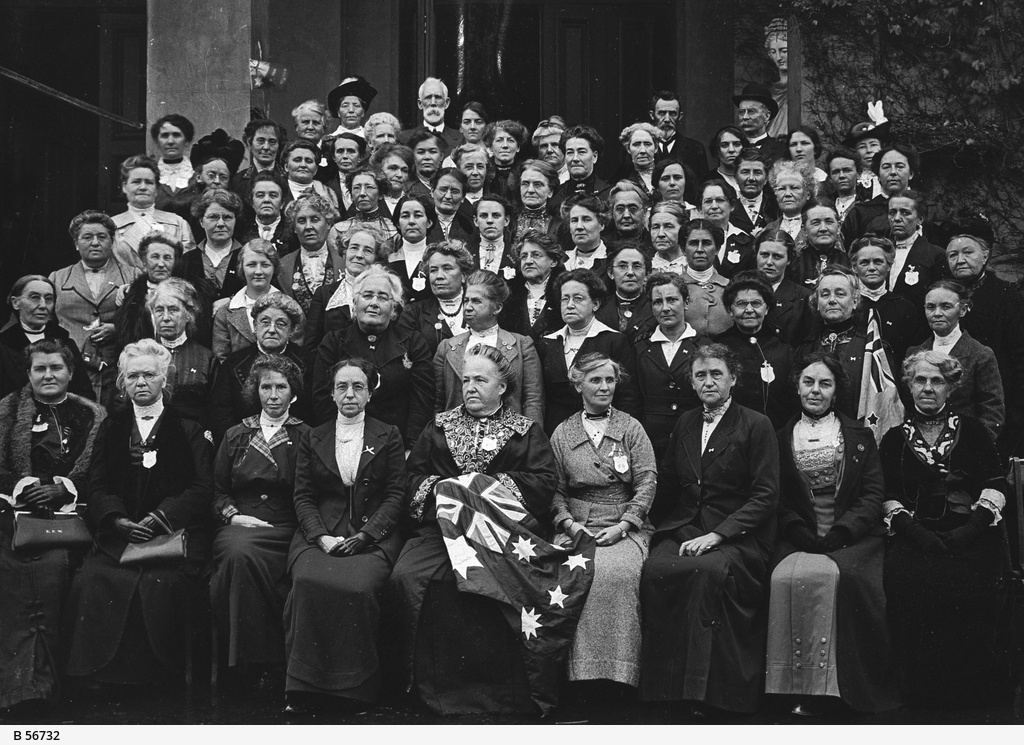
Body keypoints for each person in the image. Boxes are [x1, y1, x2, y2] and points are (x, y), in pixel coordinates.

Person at [388, 345, 561, 715]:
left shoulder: (524, 431)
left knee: (501, 585)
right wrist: (448, 492)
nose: (469, 387)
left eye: (480, 380)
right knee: (407, 576)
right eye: (465, 379)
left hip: (502, 532)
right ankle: (421, 688)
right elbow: (413, 477)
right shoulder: (439, 426)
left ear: (502, 387)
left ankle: (502, 694)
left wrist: (486, 488)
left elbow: (544, 481)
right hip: (442, 530)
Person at [640, 343, 780, 715]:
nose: (708, 381)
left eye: (716, 373)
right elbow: (668, 482)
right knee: (656, 569)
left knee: (706, 573)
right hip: (688, 524)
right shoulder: (686, 421)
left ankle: (708, 695)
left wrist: (718, 535)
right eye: (700, 375)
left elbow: (766, 496)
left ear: (733, 379)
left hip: (739, 535)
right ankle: (666, 691)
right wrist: (632, 514)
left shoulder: (755, 424)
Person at [65, 339, 213, 685]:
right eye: (132, 377)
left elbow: (202, 488)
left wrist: (159, 518)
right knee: (94, 579)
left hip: (172, 535)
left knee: (163, 584)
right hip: (120, 536)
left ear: (165, 380)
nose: (140, 383)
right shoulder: (111, 426)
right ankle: (104, 676)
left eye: (149, 375)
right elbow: (96, 484)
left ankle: (160, 678)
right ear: (122, 382)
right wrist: (117, 520)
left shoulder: (187, 426)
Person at [766, 352, 898, 714]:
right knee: (785, 579)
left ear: (836, 391)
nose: (815, 390)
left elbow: (873, 493)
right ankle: (793, 688)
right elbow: (774, 494)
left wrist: (844, 530)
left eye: (825, 384)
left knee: (845, 579)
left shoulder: (858, 434)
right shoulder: (779, 437)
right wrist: (795, 528)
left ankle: (838, 689)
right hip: (800, 533)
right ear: (797, 387)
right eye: (808, 382)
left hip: (853, 535)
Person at [881, 350, 1012, 708]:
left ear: (951, 387)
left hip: (970, 533)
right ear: (908, 386)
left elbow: (996, 482)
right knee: (908, 585)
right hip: (916, 535)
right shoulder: (893, 438)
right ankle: (921, 699)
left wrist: (970, 530)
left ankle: (969, 699)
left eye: (936, 381)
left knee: (972, 592)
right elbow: (888, 494)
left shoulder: (973, 430)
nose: (927, 388)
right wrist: (916, 533)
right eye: (920, 380)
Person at [283, 357, 405, 710]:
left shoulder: (389, 434)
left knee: (357, 586)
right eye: (342, 387)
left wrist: (366, 536)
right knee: (306, 581)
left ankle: (355, 691)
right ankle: (303, 688)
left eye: (358, 387)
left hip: (372, 534)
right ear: (332, 394)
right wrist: (320, 537)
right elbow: (303, 495)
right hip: (321, 532)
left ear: (369, 393)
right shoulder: (313, 436)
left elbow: (396, 494)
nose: (349, 394)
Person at [0, 340, 105, 713]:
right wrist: (23, 487)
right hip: (14, 513)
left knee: (54, 567)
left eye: (56, 368)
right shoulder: (8, 410)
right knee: (9, 569)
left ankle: (45, 684)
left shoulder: (93, 415)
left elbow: (101, 472)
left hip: (68, 517)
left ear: (70, 373)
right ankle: (18, 687)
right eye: (40, 369)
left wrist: (63, 487)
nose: (48, 375)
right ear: (28, 374)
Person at [550, 353, 656, 688]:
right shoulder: (563, 433)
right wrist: (569, 524)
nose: (605, 387)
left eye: (610, 380)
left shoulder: (630, 428)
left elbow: (647, 481)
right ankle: (576, 678)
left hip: (623, 525)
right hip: (578, 525)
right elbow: (554, 491)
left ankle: (618, 675)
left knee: (615, 573)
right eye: (596, 380)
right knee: (562, 572)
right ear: (578, 383)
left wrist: (625, 525)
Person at [210, 355, 309, 674]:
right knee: (239, 554)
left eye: (282, 387)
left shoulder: (307, 436)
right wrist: (233, 516)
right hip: (241, 522)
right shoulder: (236, 435)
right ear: (256, 391)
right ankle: (245, 662)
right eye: (266, 386)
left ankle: (278, 661)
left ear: (293, 393)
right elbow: (217, 490)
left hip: (289, 526)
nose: (274, 394)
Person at [312, 266, 433, 446]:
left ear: (394, 308)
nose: (374, 303)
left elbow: (422, 401)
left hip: (397, 445)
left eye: (383, 297)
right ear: (355, 302)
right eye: (367, 296)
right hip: (343, 441)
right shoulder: (334, 342)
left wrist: (411, 446)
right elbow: (322, 398)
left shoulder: (413, 342)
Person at [49, 210, 140, 406]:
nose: (95, 243)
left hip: (117, 365)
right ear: (76, 243)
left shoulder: (133, 276)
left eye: (102, 237)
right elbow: (47, 324)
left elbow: (145, 319)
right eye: (87, 237)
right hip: (73, 367)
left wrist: (118, 329)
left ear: (112, 241)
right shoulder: (57, 278)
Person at [946, 232, 1024, 456]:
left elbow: (1019, 354)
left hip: (998, 398)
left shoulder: (1006, 295)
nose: (960, 260)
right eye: (953, 255)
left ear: (985, 256)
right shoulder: (941, 296)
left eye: (968, 252)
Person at [536, 269, 640, 434]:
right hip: (555, 433)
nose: (570, 305)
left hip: (602, 431)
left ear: (595, 304)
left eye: (578, 298)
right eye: (565, 299)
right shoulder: (547, 343)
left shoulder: (613, 341)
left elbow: (628, 397)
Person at [433, 270, 543, 422]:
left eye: (477, 301)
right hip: (457, 436)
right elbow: (437, 403)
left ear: (497, 308)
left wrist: (532, 441)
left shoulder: (521, 345)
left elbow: (533, 400)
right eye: (466, 301)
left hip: (510, 437)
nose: (468, 307)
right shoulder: (446, 347)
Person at [906, 280, 1004, 443]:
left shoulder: (980, 354)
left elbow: (992, 411)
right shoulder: (914, 353)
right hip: (921, 445)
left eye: (946, 306)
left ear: (963, 309)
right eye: (931, 307)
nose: (937, 313)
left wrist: (973, 445)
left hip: (965, 446)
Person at [798, 266, 898, 424]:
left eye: (840, 294)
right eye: (825, 294)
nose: (832, 300)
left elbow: (884, 403)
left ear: (855, 301)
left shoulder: (873, 347)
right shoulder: (805, 347)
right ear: (817, 303)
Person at [209, 293, 307, 444]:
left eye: (281, 324)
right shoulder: (234, 363)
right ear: (254, 326)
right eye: (265, 322)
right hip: (243, 447)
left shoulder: (308, 362)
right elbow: (221, 413)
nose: (272, 329)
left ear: (292, 330)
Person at [632, 272, 706, 461]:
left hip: (694, 436)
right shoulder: (639, 348)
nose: (665, 308)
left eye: (672, 300)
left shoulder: (704, 347)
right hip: (651, 441)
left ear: (686, 302)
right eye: (658, 302)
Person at [715, 272, 797, 429]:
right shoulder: (720, 348)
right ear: (730, 310)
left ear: (767, 308)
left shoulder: (783, 348)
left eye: (756, 303)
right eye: (741, 304)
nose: (749, 309)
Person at [1, 275, 94, 400]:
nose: (43, 305)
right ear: (15, 303)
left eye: (49, 299)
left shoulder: (66, 342)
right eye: (34, 298)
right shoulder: (4, 345)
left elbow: (85, 394)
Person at [142, 278, 218, 426]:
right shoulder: (141, 354)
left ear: (189, 314)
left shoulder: (206, 358)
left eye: (173, 310)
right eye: (159, 310)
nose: (165, 318)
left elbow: (215, 407)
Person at [304, 225, 389, 355]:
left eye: (367, 250)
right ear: (344, 252)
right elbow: (311, 345)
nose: (359, 255)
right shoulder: (324, 294)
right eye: (354, 248)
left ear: (376, 258)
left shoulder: (387, 294)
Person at [850, 235, 926, 368]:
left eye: (878, 262)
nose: (872, 268)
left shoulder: (904, 307)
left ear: (889, 266)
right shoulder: (848, 305)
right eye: (864, 262)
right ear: (854, 268)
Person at [112, 155, 194, 270]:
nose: (143, 187)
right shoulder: (111, 226)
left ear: (157, 189)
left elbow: (187, 264)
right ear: (125, 187)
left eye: (149, 182)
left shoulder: (178, 223)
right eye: (136, 182)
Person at [395, 239, 473, 357]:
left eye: (447, 268)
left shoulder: (479, 306)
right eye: (433, 270)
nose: (439, 276)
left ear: (463, 275)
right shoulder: (414, 313)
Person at [160, 129, 245, 235]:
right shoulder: (179, 207)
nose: (217, 181)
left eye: (223, 177)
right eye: (211, 175)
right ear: (199, 177)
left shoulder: (242, 209)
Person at [211, 239, 281, 360]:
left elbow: (295, 354)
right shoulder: (225, 313)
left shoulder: (290, 308)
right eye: (251, 265)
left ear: (274, 268)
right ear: (241, 268)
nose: (258, 271)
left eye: (265, 265)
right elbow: (221, 357)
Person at [277, 193, 342, 317]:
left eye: (315, 219)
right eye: (301, 221)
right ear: (295, 228)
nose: (308, 227)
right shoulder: (283, 265)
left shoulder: (343, 261)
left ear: (328, 224)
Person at [840, 143, 917, 247]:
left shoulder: (924, 210)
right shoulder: (860, 214)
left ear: (911, 173)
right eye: (886, 167)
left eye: (899, 166)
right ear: (878, 175)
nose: (893, 172)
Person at [180, 188, 246, 302]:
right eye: (213, 217)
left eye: (227, 217)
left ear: (235, 220)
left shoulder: (247, 257)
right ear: (201, 221)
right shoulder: (186, 260)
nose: (220, 223)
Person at [884, 190, 946, 307]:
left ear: (920, 219)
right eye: (892, 212)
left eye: (905, 213)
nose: (897, 218)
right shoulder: (880, 251)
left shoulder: (935, 255)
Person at [503, 230, 565, 341]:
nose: (528, 261)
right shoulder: (507, 292)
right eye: (524, 256)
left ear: (553, 261)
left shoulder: (564, 291)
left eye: (536, 255)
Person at [754, 229, 812, 346]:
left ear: (789, 260)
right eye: (764, 255)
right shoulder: (741, 291)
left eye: (777, 257)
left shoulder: (804, 297)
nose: (769, 262)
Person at [679, 219, 731, 337]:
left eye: (706, 243)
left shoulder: (730, 287)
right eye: (693, 243)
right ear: (683, 249)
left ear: (717, 249)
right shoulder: (674, 287)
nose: (700, 250)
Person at [596, 240, 655, 338]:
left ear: (647, 274)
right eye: (622, 266)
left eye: (637, 266)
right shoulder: (600, 309)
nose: (630, 272)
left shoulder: (655, 308)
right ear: (611, 273)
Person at [648, 90, 709, 181]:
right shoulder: (642, 147)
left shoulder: (695, 148)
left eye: (672, 114)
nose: (667, 119)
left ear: (680, 116)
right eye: (662, 113)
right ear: (652, 115)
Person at [699, 179, 754, 279]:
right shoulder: (691, 240)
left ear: (732, 205)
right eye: (708, 201)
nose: (714, 206)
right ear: (700, 208)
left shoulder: (745, 241)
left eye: (720, 200)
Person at [387, 194, 436, 304]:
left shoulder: (436, 260)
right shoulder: (387, 261)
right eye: (405, 216)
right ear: (398, 224)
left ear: (429, 222)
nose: (411, 221)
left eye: (418, 215)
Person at [787, 204, 850, 287]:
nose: (823, 228)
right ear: (804, 230)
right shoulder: (793, 263)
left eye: (829, 222)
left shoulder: (849, 262)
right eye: (816, 223)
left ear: (838, 227)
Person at [231, 119, 286, 209]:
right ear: (249, 143)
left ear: (279, 145)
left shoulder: (287, 178)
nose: (266, 147)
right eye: (260, 141)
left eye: (272, 142)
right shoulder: (237, 181)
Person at [399, 77, 462, 153]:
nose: (433, 102)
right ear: (420, 104)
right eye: (428, 97)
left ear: (446, 103)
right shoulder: (404, 138)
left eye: (438, 97)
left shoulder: (461, 138)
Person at [764, 159, 815, 252]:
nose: (787, 194)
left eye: (794, 188)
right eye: (782, 188)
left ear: (807, 194)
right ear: (775, 194)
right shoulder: (768, 230)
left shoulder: (818, 226)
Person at [239, 171, 294, 257]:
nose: (266, 200)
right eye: (260, 195)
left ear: (282, 202)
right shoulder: (241, 230)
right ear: (251, 201)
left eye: (273, 195)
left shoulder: (293, 232)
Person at [554, 125, 610, 209]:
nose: (575, 158)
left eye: (582, 152)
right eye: (570, 152)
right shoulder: (556, 196)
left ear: (594, 157)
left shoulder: (608, 194)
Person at [732, 83, 787, 163]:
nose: (745, 117)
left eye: (751, 111)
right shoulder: (732, 148)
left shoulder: (781, 150)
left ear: (767, 116)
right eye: (741, 112)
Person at [730, 148, 778, 237]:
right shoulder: (729, 210)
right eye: (745, 172)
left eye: (757, 172)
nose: (751, 178)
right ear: (736, 177)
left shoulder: (776, 208)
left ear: (766, 178)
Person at [511, 159, 561, 242]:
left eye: (538, 184)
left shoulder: (559, 225)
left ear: (550, 191)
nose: (530, 190)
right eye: (525, 184)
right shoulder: (508, 223)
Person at [467, 195, 516, 278]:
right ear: (475, 221)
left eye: (496, 215)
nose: (489, 221)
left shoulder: (515, 255)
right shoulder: (466, 253)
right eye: (484, 215)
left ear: (506, 220)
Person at [280, 139, 338, 210]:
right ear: (286, 167)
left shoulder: (328, 194)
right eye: (297, 160)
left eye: (309, 161)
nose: (303, 165)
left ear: (316, 169)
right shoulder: (277, 190)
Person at [483, 119, 529, 202]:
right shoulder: (483, 171)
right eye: (499, 140)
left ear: (518, 147)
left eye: (510, 140)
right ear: (491, 147)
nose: (505, 145)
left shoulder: (526, 171)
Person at [150, 113, 195, 195]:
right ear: (157, 142)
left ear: (187, 141)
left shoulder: (195, 172)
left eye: (176, 135)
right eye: (165, 136)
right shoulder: (150, 174)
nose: (170, 141)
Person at [563, 195, 610, 272]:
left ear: (601, 224)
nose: (579, 226)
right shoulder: (562, 260)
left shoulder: (611, 259)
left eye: (586, 220)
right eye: (574, 220)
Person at [427, 167, 475, 244]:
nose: (448, 196)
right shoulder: (422, 222)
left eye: (455, 192)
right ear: (432, 192)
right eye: (443, 190)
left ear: (463, 197)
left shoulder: (471, 227)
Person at [321, 133, 367, 212]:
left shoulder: (371, 183)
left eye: (351, 151)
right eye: (340, 151)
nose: (345, 156)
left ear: (360, 157)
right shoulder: (324, 186)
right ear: (334, 157)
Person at [618, 122, 662, 199]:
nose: (642, 150)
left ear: (656, 148)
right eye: (636, 144)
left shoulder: (666, 176)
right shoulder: (620, 179)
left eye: (647, 144)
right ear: (628, 149)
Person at [604, 181, 652, 251]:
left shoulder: (654, 243)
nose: (626, 215)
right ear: (612, 213)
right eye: (620, 209)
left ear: (644, 212)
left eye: (633, 209)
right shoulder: (603, 246)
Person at [372, 143, 414, 216]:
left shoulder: (414, 203)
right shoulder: (369, 201)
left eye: (404, 170)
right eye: (393, 168)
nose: (399, 175)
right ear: (379, 170)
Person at [709, 125, 750, 198]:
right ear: (717, 151)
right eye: (724, 145)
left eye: (737, 144)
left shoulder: (752, 176)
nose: (731, 150)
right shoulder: (708, 179)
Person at [649, 202, 687, 275]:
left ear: (683, 229)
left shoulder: (694, 266)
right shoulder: (645, 268)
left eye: (668, 226)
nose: (661, 234)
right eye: (656, 227)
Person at [406, 130, 447, 198]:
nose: (427, 157)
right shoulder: (406, 188)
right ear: (413, 156)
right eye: (421, 152)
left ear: (441, 156)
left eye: (433, 152)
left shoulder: (450, 183)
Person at [826, 147, 862, 224]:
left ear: (858, 174)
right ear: (830, 178)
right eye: (836, 172)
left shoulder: (866, 205)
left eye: (847, 170)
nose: (841, 176)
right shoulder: (823, 206)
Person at [787, 126, 827, 192]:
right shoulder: (783, 181)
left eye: (804, 143)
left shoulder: (825, 180)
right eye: (793, 144)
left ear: (815, 149)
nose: (798, 149)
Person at [452, 143, 491, 207]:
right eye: (469, 167)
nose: (475, 172)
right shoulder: (451, 198)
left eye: (480, 167)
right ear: (458, 169)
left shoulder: (497, 195)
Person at [532, 116, 569, 183]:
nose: (549, 150)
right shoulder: (532, 177)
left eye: (555, 145)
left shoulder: (573, 175)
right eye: (544, 146)